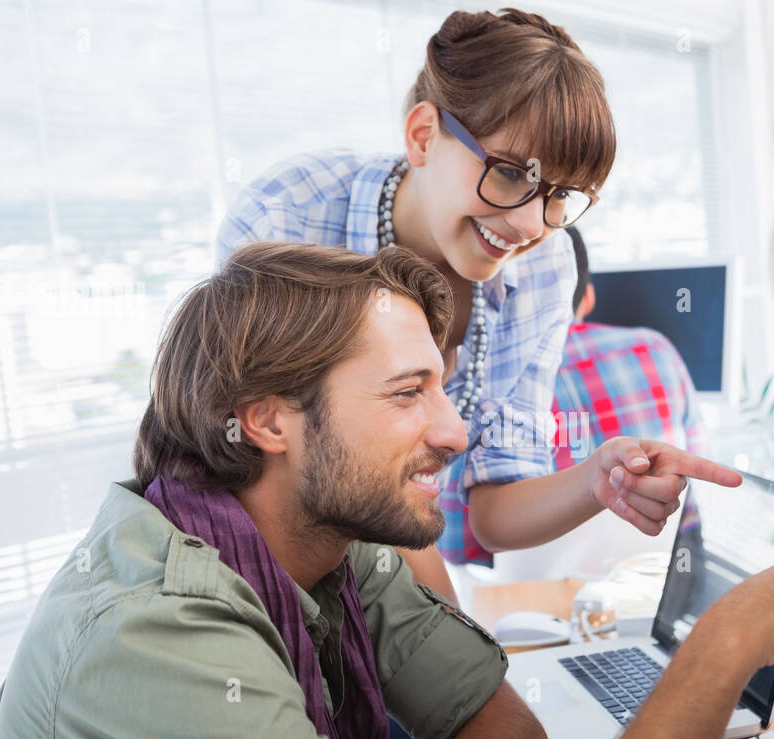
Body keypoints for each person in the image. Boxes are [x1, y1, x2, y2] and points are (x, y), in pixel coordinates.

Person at [0, 242, 774, 739]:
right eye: (408, 393)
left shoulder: (333, 538)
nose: (454, 431)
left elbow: (504, 732)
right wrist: (726, 642)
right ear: (268, 419)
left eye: (442, 387)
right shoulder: (153, 637)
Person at [216, 9, 703, 600]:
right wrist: (446, 631)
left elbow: (492, 513)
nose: (529, 224)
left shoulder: (546, 267)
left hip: (393, 586)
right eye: (508, 174)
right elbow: (265, 468)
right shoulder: (290, 214)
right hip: (259, 567)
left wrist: (596, 480)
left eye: (561, 196)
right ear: (423, 135)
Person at [444, 225, 712, 566]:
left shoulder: (479, 383)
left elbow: (454, 547)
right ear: (587, 298)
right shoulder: (657, 349)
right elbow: (694, 474)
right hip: (653, 583)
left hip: (527, 600)